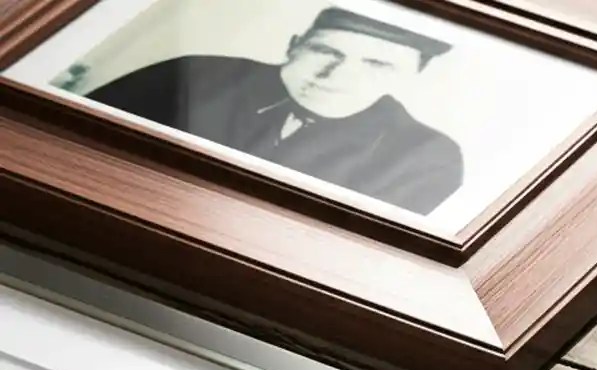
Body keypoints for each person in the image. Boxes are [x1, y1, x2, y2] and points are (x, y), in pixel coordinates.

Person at [86, 7, 463, 216]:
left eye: (378, 65)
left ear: (414, 77)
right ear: (294, 46)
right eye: (327, 52)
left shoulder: (426, 157)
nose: (338, 76)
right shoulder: (194, 74)